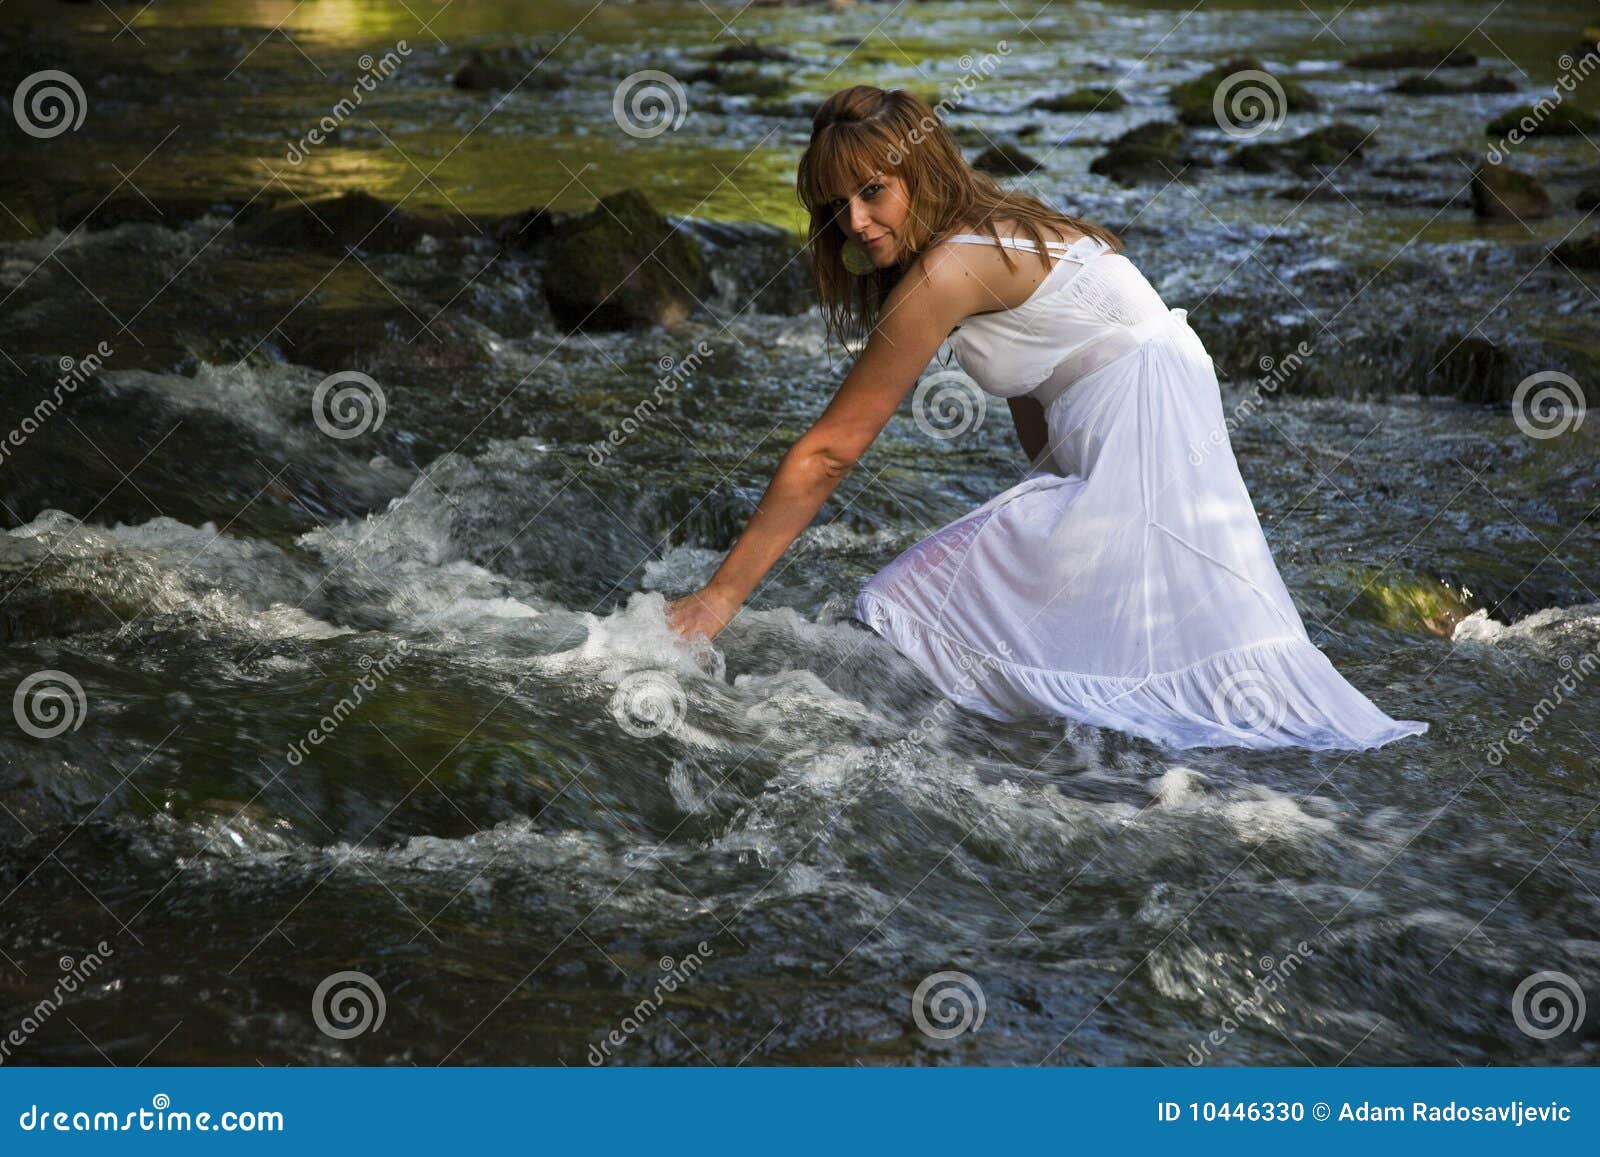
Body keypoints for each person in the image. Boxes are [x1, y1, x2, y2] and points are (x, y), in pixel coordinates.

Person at [666, 86, 1426, 751]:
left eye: (872, 192)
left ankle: (988, 763)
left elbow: (829, 453)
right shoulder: (984, 224)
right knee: (1082, 618)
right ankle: (1054, 754)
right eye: (836, 208)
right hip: (1147, 400)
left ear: (919, 174)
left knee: (908, 601)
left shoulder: (947, 268)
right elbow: (1038, 380)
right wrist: (1051, 513)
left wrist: (718, 599)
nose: (856, 223)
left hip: (1140, 413)